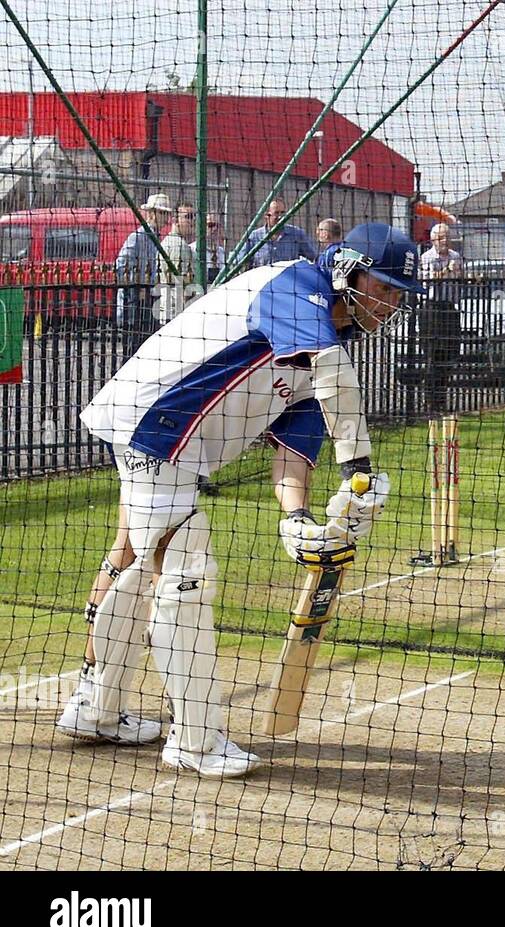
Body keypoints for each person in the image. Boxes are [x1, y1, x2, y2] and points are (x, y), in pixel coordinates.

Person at [58, 223, 422, 777]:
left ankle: (96, 708)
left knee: (134, 555)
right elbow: (331, 373)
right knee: (185, 564)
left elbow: (293, 450)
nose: (393, 303)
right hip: (155, 421)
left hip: (169, 435)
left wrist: (297, 518)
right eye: (386, 288)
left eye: (400, 294)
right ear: (347, 270)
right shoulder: (295, 289)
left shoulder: (328, 344)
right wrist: (361, 470)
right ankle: (196, 740)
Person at [114, 193, 172, 348]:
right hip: (135, 301)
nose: (166, 218)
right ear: (151, 213)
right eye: (162, 213)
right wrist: (137, 285)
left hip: (149, 299)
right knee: (133, 347)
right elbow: (121, 264)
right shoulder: (138, 236)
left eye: (167, 213)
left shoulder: (156, 237)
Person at [232, 197, 318, 271]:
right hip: (262, 284)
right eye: (276, 213)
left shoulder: (296, 235)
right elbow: (238, 261)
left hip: (287, 285)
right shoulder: (255, 237)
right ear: (267, 215)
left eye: (282, 213)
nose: (280, 217)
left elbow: (314, 256)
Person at [156, 201, 198, 323]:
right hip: (176, 309)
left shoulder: (168, 241)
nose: (192, 221)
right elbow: (183, 283)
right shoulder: (179, 245)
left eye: (194, 216)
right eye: (188, 217)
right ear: (175, 220)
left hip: (167, 306)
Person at [193, 215, 228, 281]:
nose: (215, 229)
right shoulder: (193, 249)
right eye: (211, 225)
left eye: (217, 226)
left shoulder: (221, 251)